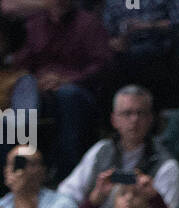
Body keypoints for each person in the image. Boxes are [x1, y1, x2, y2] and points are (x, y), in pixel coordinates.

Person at [11, 0, 111, 178]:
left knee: (67, 95)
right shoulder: (34, 23)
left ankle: (67, 173)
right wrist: (36, 81)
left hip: (79, 93)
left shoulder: (89, 23)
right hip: (40, 92)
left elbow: (102, 65)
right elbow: (22, 62)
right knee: (21, 94)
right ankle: (16, 172)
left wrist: (67, 80)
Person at [55, 85, 179, 208]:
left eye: (140, 113)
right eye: (127, 113)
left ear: (150, 119)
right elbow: (67, 193)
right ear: (114, 120)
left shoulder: (167, 166)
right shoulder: (101, 150)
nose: (134, 120)